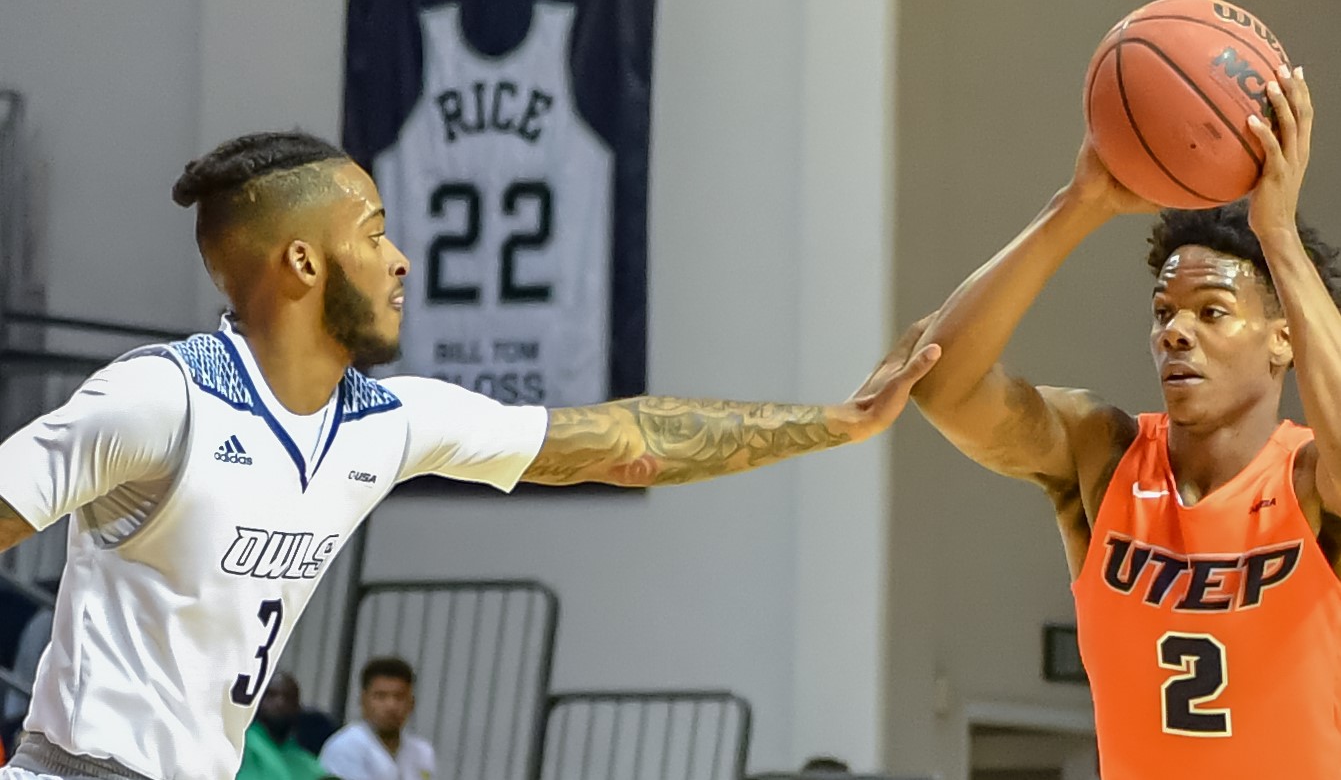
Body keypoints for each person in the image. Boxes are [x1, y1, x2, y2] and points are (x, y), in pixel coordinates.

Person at [0, 130, 940, 780]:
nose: (401, 257)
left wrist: (838, 422)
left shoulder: (389, 421)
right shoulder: (162, 397)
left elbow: (626, 443)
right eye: (373, 232)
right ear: (300, 263)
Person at [908, 66, 1340, 778]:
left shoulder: (1306, 483)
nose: (1174, 332)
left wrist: (1279, 237)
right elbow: (944, 385)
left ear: (1282, 337)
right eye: (1163, 313)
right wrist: (1076, 205)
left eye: (1209, 312)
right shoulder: (1103, 455)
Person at [318, 657, 432, 780]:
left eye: (399, 697)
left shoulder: (423, 752)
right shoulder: (345, 748)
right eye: (380, 696)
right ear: (363, 700)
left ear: (412, 703)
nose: (391, 706)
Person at [236, 673, 326, 780]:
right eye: (271, 695)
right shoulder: (240, 743)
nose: (280, 703)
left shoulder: (307, 764)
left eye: (289, 697)